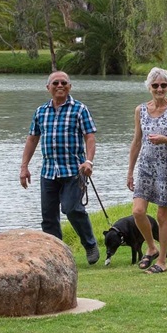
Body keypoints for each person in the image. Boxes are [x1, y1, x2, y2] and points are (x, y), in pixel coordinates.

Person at [19, 71, 100, 264]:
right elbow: (32, 138)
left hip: (74, 170)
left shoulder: (79, 109)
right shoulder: (41, 112)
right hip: (48, 172)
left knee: (72, 208)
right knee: (49, 217)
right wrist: (24, 166)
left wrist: (88, 161)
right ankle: (56, 256)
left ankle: (89, 244)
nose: (60, 85)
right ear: (48, 88)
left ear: (70, 87)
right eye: (55, 83)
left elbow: (90, 137)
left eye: (64, 82)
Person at [127, 67, 167, 274]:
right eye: (155, 86)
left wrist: (165, 140)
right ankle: (151, 247)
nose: (159, 89)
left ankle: (162, 260)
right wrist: (129, 172)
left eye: (163, 85)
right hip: (145, 166)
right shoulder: (140, 110)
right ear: (149, 87)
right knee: (138, 211)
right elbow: (136, 141)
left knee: (162, 216)